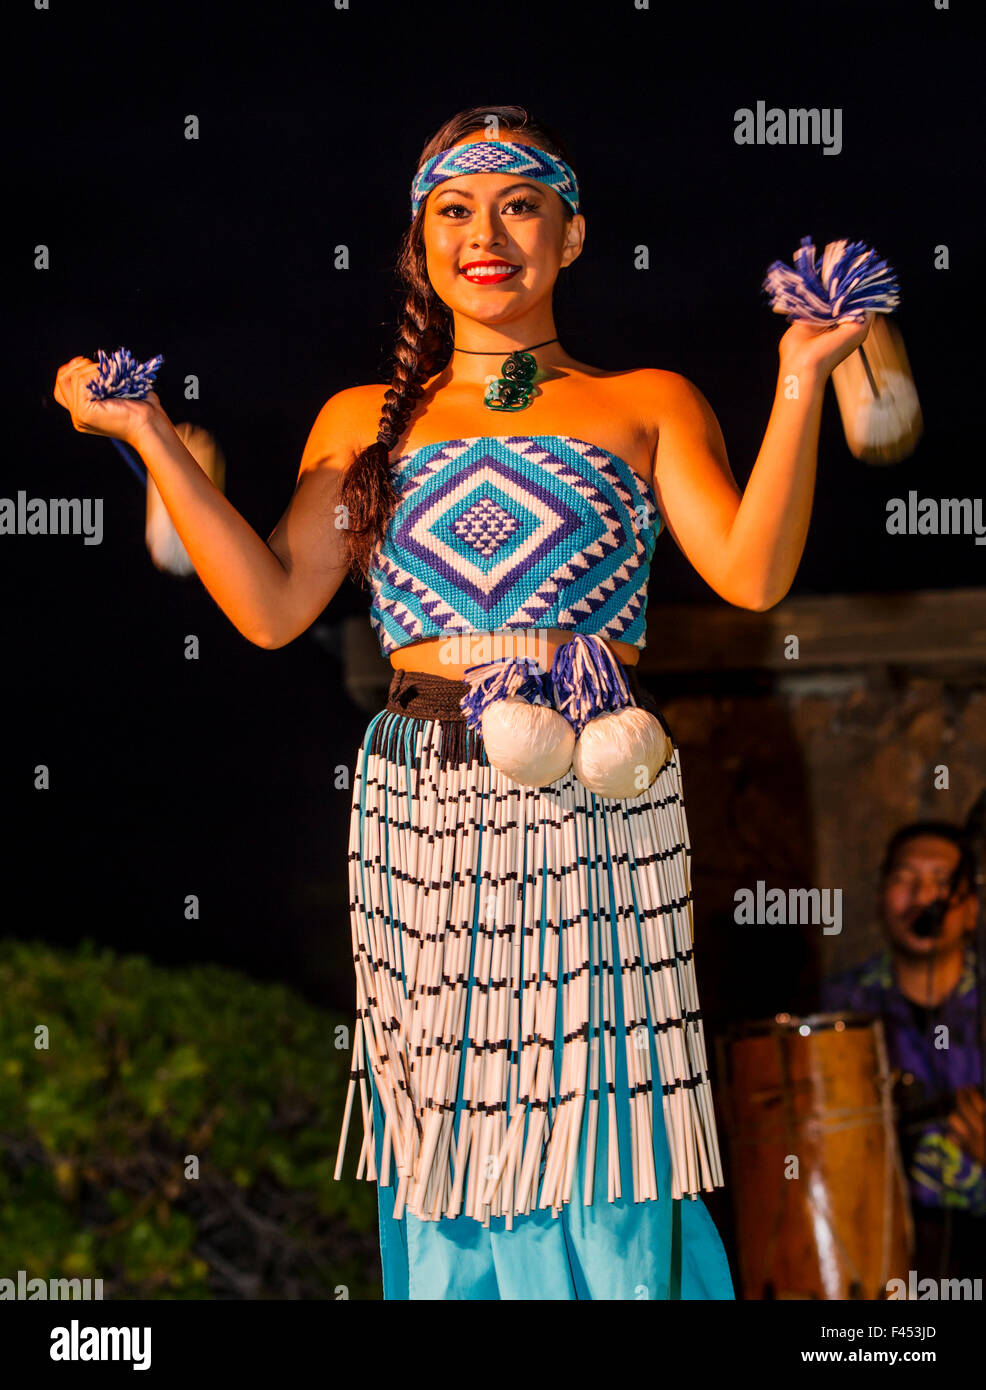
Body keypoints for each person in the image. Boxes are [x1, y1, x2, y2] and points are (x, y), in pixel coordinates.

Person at [53, 103, 871, 1300]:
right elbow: (271, 607)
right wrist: (147, 436)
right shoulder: (361, 420)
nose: (484, 235)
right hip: (424, 802)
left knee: (596, 1115)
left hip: (594, 791)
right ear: (420, 241)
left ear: (570, 235)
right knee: (452, 1128)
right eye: (453, 210)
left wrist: (798, 380)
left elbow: (751, 573)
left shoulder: (644, 399)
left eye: (518, 206)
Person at [820, 821, 985, 1283]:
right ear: (880, 897)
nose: (922, 895)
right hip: (870, 1253)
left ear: (971, 910)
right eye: (905, 878)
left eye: (941, 880)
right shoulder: (837, 1008)